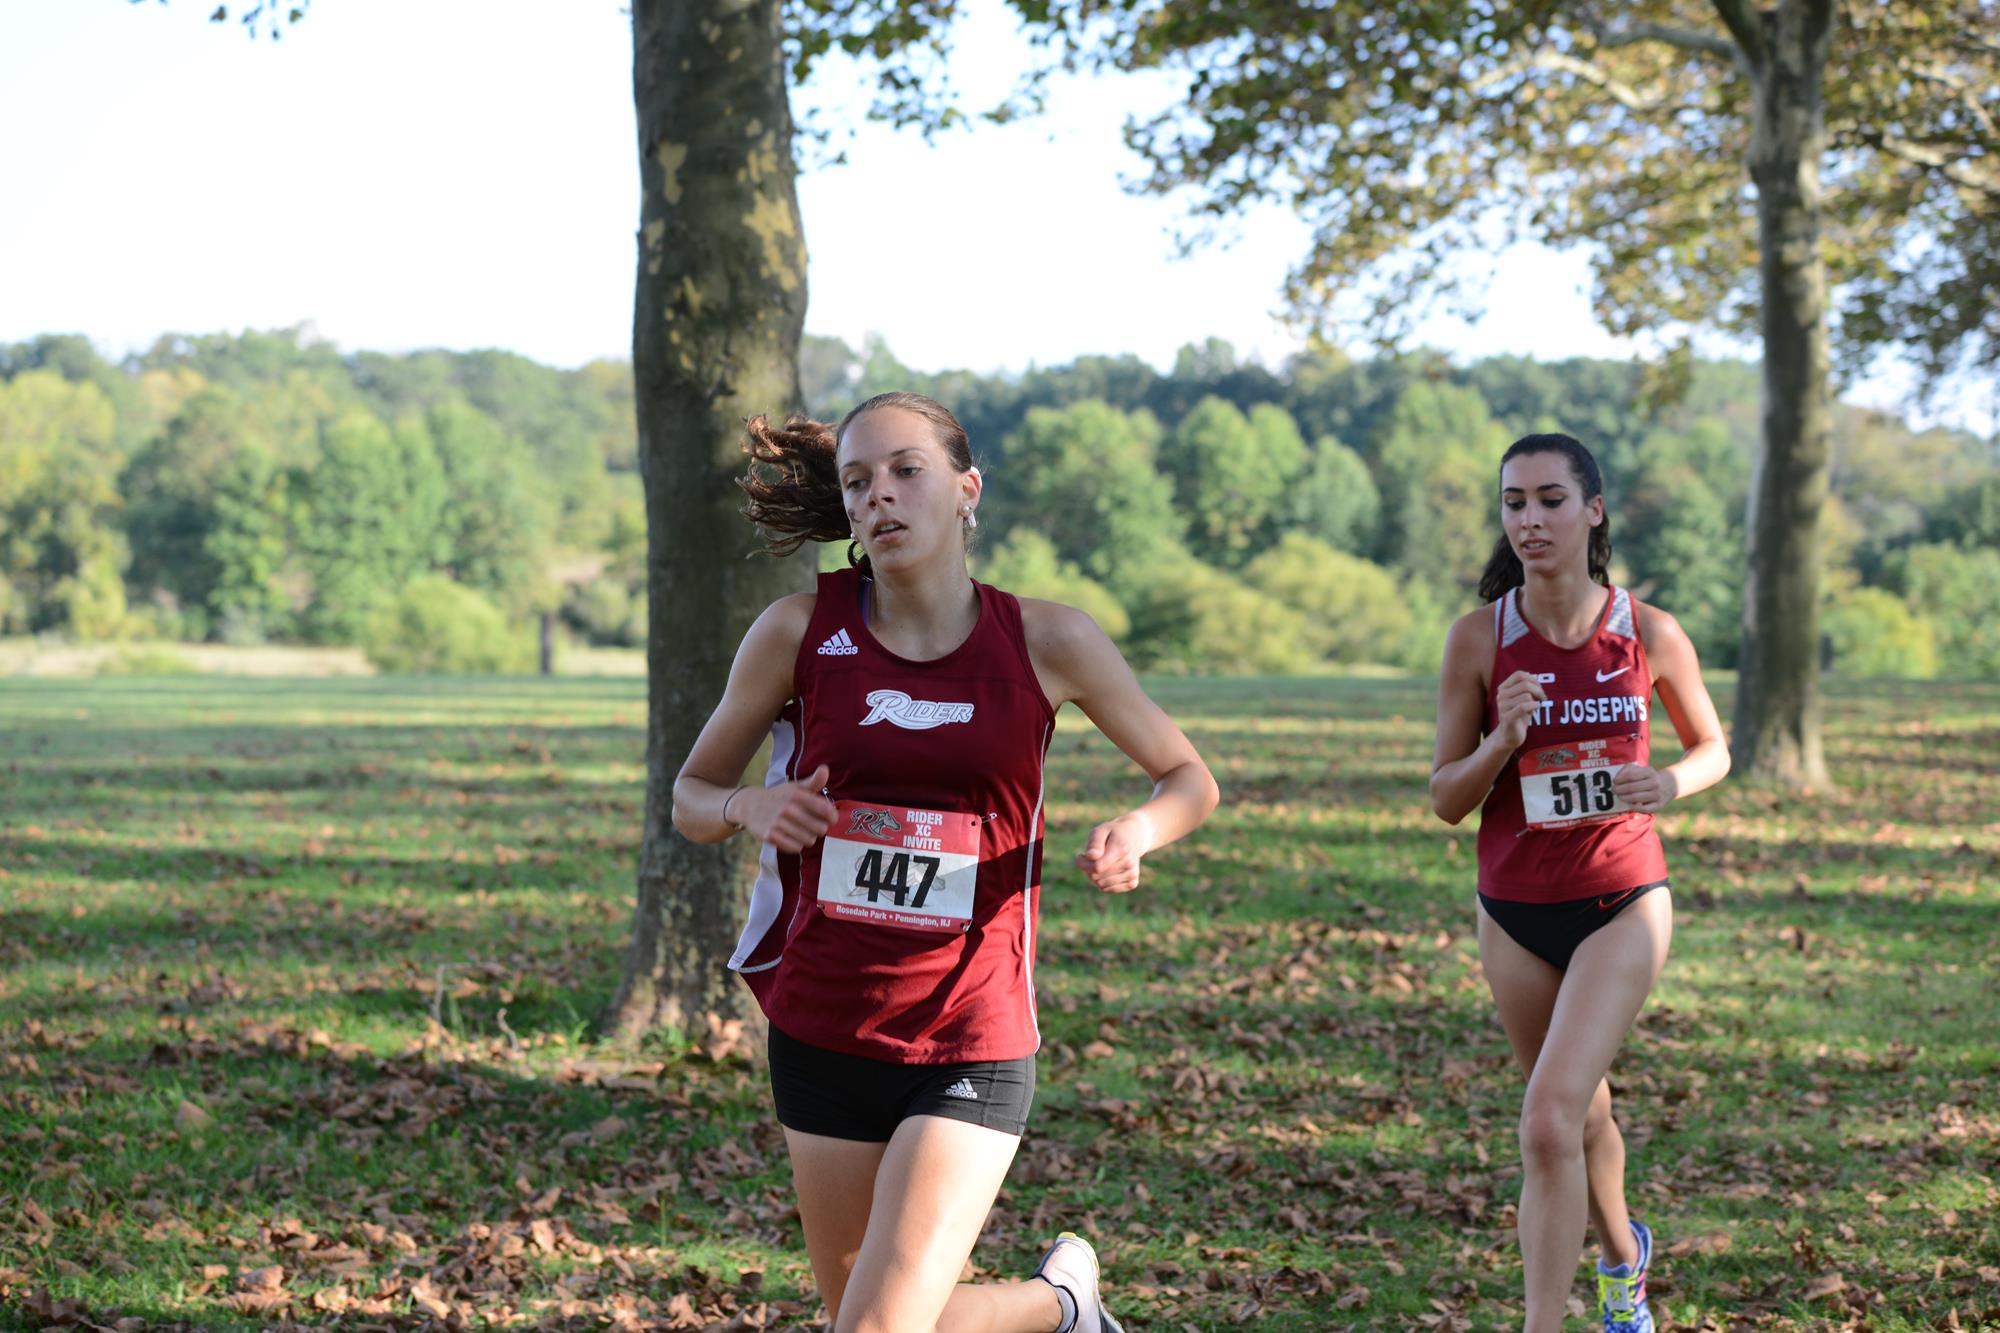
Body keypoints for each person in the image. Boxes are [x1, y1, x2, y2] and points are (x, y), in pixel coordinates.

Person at [672, 391, 1219, 1333]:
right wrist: (746, 804)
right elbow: (689, 797)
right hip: (822, 1024)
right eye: (857, 481)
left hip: (972, 1030)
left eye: (904, 471)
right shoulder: (799, 633)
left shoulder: (1049, 639)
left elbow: (1187, 776)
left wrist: (1138, 828)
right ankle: (1061, 1306)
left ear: (967, 490)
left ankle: (1062, 1305)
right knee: (877, 1317)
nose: (879, 496)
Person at [1428, 433, 1730, 1333]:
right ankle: (1621, 1258)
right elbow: (1447, 797)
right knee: (1581, 1114)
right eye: (1514, 502)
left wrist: (1668, 782)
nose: (1530, 519)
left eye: (1551, 499)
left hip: (1621, 900)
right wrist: (1500, 743)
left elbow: (1714, 746)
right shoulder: (1480, 639)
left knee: (1549, 1117)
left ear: (1592, 510)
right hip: (1515, 915)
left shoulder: (1651, 632)